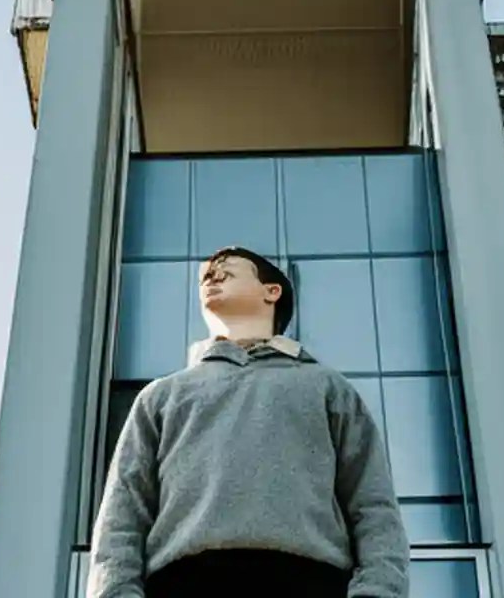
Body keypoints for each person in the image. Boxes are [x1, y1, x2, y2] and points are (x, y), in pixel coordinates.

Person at [87, 246, 409, 598]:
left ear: (272, 291)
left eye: (226, 271)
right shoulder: (161, 396)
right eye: (206, 276)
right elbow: (123, 513)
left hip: (309, 581)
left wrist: (377, 592)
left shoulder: (327, 387)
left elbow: (373, 506)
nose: (212, 277)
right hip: (182, 582)